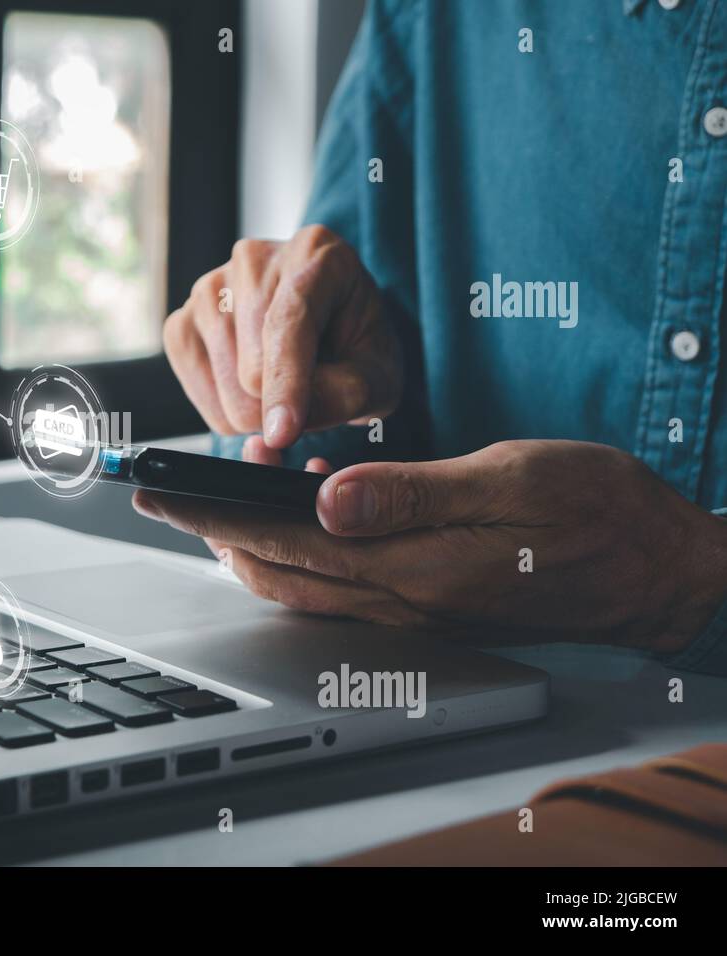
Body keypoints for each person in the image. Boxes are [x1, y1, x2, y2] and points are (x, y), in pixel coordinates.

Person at [133, 0, 727, 673]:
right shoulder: (435, 15)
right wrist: (279, 379)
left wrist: (689, 576)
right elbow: (319, 461)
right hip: (464, 729)